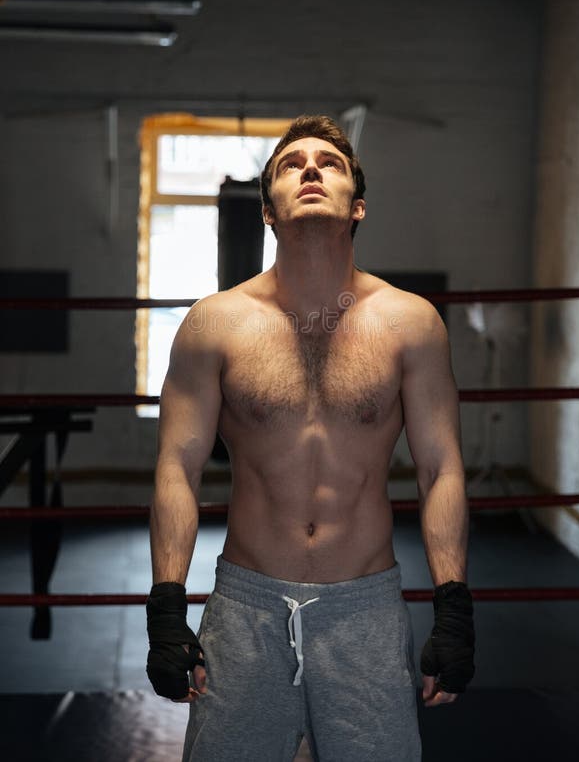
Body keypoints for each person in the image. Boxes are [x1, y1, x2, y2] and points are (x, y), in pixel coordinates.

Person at [145, 114, 475, 762]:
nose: (312, 170)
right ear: (268, 210)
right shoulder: (214, 324)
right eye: (292, 165)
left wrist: (454, 605)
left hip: (366, 611)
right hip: (246, 608)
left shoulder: (412, 323)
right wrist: (165, 605)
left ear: (358, 205)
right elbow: (177, 467)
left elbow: (442, 469)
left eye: (330, 162)